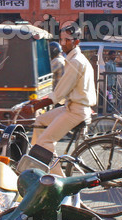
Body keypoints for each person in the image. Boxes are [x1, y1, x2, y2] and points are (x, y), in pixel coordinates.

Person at [21, 24, 97, 158]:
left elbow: (58, 94)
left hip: (76, 111)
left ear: (76, 42)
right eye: (62, 40)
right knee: (40, 121)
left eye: (67, 40)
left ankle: (55, 176)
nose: (63, 44)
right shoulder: (72, 59)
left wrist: (35, 107)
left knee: (44, 142)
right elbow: (61, 94)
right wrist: (38, 102)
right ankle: (37, 159)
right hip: (70, 107)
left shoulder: (75, 62)